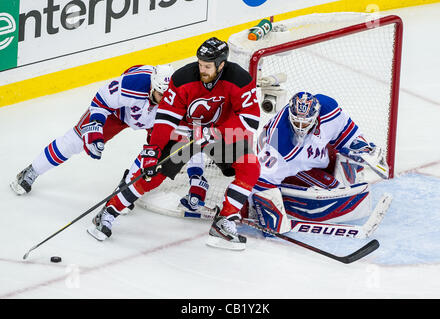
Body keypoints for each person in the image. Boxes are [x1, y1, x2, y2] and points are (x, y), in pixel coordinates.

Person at [88, 37, 261, 251]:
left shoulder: (240, 80)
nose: (202, 69)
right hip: (184, 132)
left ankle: (223, 223)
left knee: (250, 167)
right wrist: (153, 152)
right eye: (200, 64)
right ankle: (108, 212)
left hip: (219, 133)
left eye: (207, 66)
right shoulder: (183, 78)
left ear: (221, 64)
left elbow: (250, 120)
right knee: (153, 175)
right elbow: (165, 119)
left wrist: (215, 132)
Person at [10, 64, 174, 195]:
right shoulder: (133, 83)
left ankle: (125, 191)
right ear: (152, 86)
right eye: (160, 94)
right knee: (74, 142)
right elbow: (101, 101)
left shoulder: (172, 96)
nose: (163, 100)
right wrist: (94, 132)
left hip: (152, 120)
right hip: (117, 113)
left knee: (157, 151)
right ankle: (32, 170)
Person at [247, 91, 389, 232]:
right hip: (289, 162)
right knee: (333, 187)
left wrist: (364, 149)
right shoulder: (280, 143)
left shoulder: (328, 109)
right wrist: (264, 211)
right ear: (290, 116)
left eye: (306, 122)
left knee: (337, 160)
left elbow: (346, 132)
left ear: (316, 115)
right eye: (296, 122)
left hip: (309, 153)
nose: (300, 128)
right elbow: (261, 178)